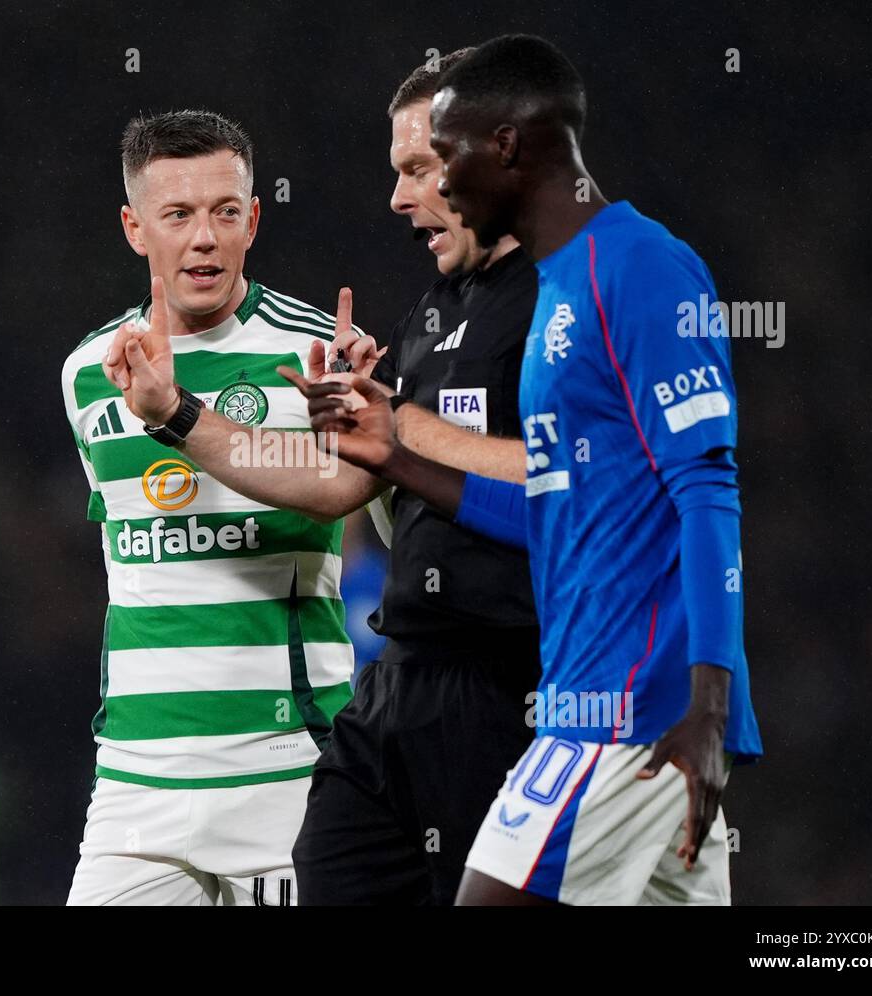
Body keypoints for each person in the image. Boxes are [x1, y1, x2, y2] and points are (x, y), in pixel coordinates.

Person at [284, 34, 762, 906]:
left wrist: (711, 705)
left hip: (629, 703)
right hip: (582, 689)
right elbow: (559, 507)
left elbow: (709, 492)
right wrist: (397, 455)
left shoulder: (644, 267)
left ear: (503, 147)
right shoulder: (559, 294)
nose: (433, 190)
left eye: (445, 158)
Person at [103, 50, 542, 905]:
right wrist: (382, 442)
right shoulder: (433, 312)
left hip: (496, 684)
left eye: (418, 168)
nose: (398, 196)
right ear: (134, 226)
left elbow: (582, 487)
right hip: (382, 699)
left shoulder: (565, 298)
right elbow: (385, 493)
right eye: (179, 213)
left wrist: (388, 435)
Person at [61, 110, 354, 906]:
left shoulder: (317, 358)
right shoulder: (90, 373)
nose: (205, 239)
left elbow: (353, 495)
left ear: (253, 220)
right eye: (178, 215)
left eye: (226, 213)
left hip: (286, 774)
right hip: (135, 784)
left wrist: (181, 415)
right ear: (134, 227)